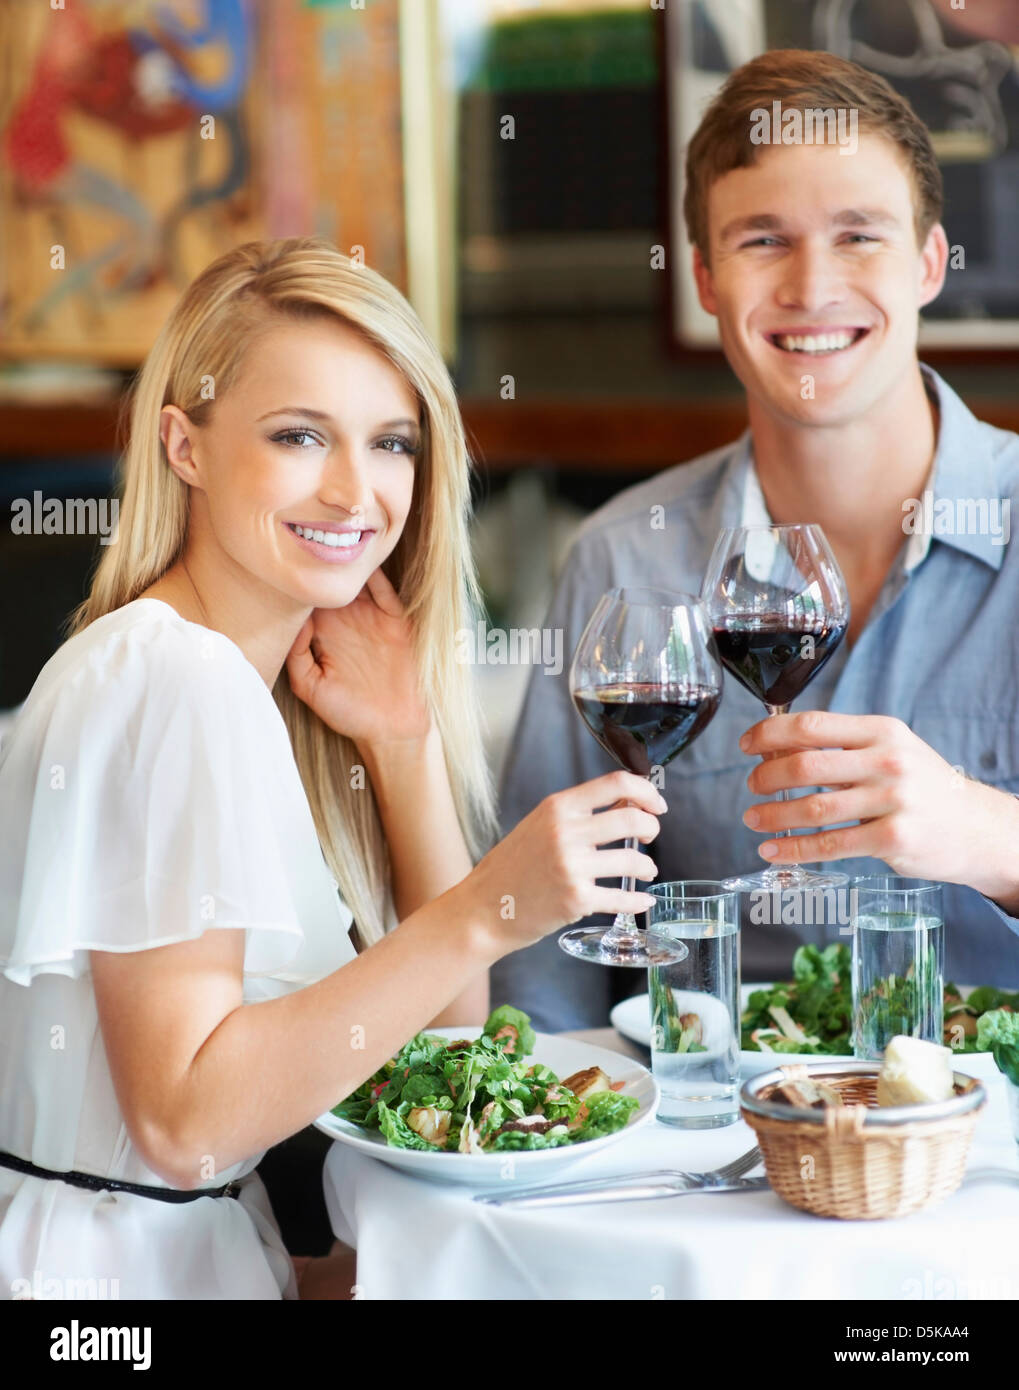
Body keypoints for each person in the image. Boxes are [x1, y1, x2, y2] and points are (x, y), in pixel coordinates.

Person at [0, 236, 665, 1300]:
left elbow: (438, 1031)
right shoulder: (176, 680)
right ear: (184, 445)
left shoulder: (215, 681)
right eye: (300, 434)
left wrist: (401, 746)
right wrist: (497, 902)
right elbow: (181, 1123)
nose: (358, 489)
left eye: (391, 441)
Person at [493, 49, 1019, 1032]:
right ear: (703, 275)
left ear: (928, 263)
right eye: (761, 240)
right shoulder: (623, 558)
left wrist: (982, 830)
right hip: (712, 1144)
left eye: (857, 235)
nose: (809, 285)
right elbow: (541, 945)